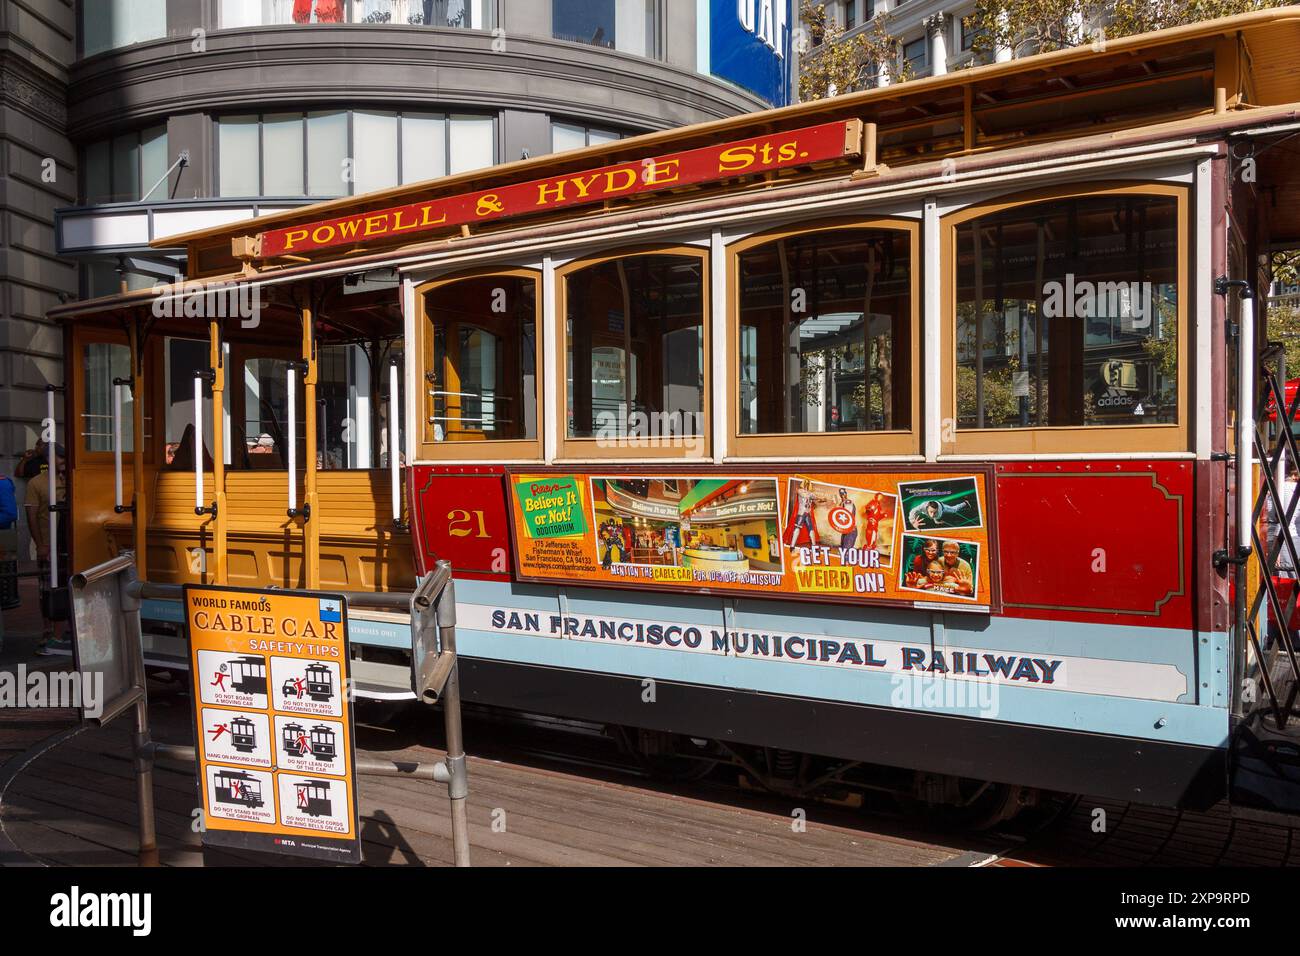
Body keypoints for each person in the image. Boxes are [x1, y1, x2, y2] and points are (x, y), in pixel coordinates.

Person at [25, 444, 67, 655]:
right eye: (60, 458)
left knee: (61, 585)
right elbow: (31, 515)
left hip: (67, 544)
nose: (63, 462)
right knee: (47, 589)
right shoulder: (36, 483)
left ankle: (58, 633)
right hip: (49, 544)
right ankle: (48, 630)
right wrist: (40, 544)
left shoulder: (69, 480)